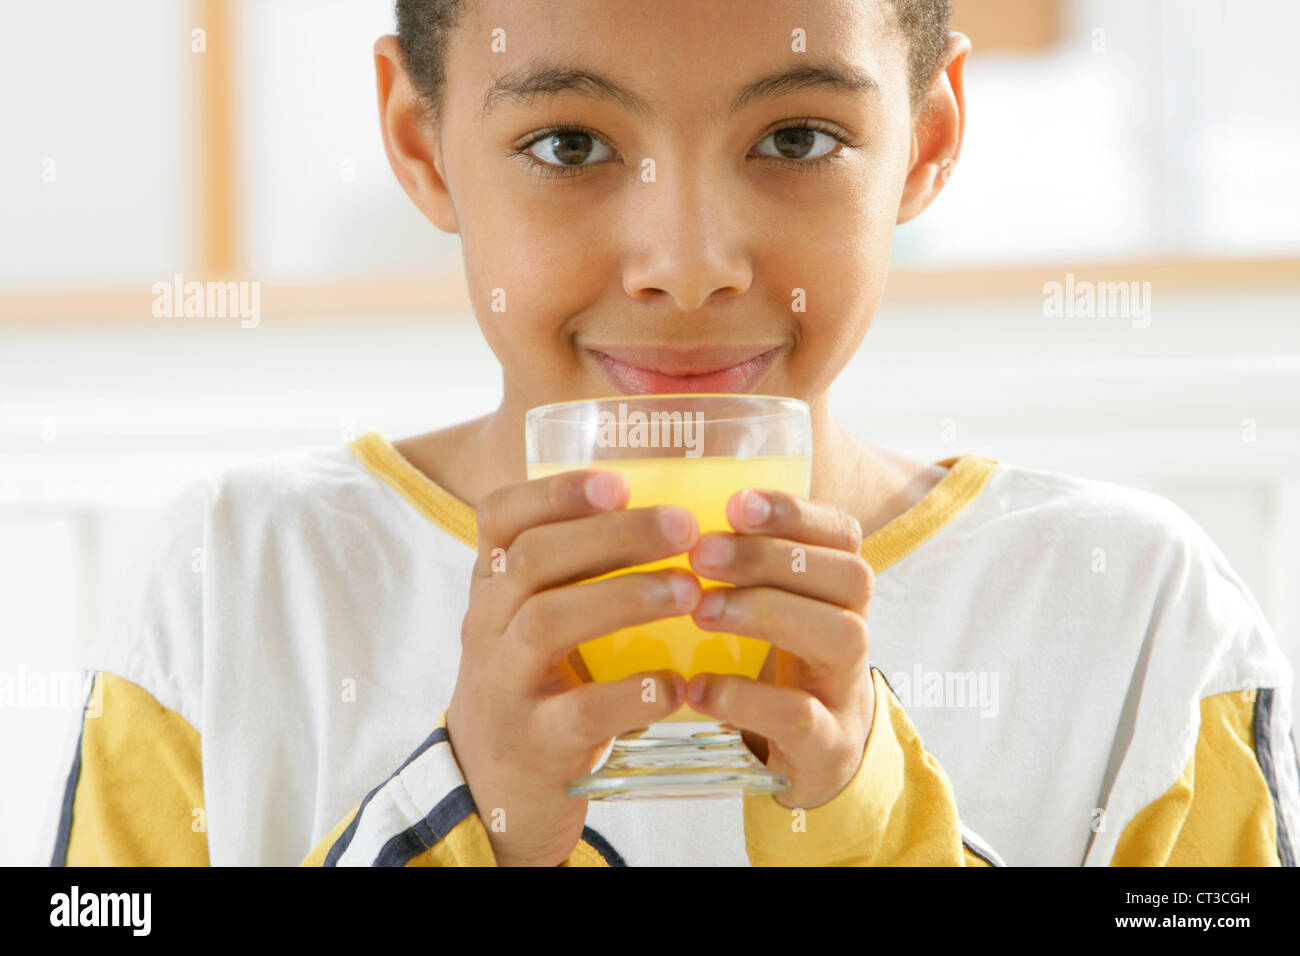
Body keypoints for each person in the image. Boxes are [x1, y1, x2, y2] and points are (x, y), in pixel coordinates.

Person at [47, 0, 1298, 867]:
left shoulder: (1141, 620)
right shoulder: (236, 585)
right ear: (423, 142)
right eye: (569, 144)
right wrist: (459, 814)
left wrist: (867, 824)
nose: (690, 265)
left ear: (924, 140)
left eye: (797, 138)